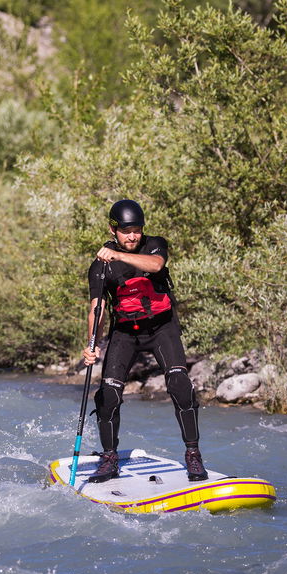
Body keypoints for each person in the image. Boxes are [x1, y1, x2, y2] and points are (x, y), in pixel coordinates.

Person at [81, 199, 207, 483]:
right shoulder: (100, 266)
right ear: (113, 230)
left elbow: (156, 264)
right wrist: (92, 344)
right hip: (125, 332)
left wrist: (119, 256)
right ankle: (109, 457)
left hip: (162, 328)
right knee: (108, 394)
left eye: (136, 230)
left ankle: (193, 455)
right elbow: (96, 307)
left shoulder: (154, 245)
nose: (132, 236)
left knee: (180, 385)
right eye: (126, 231)